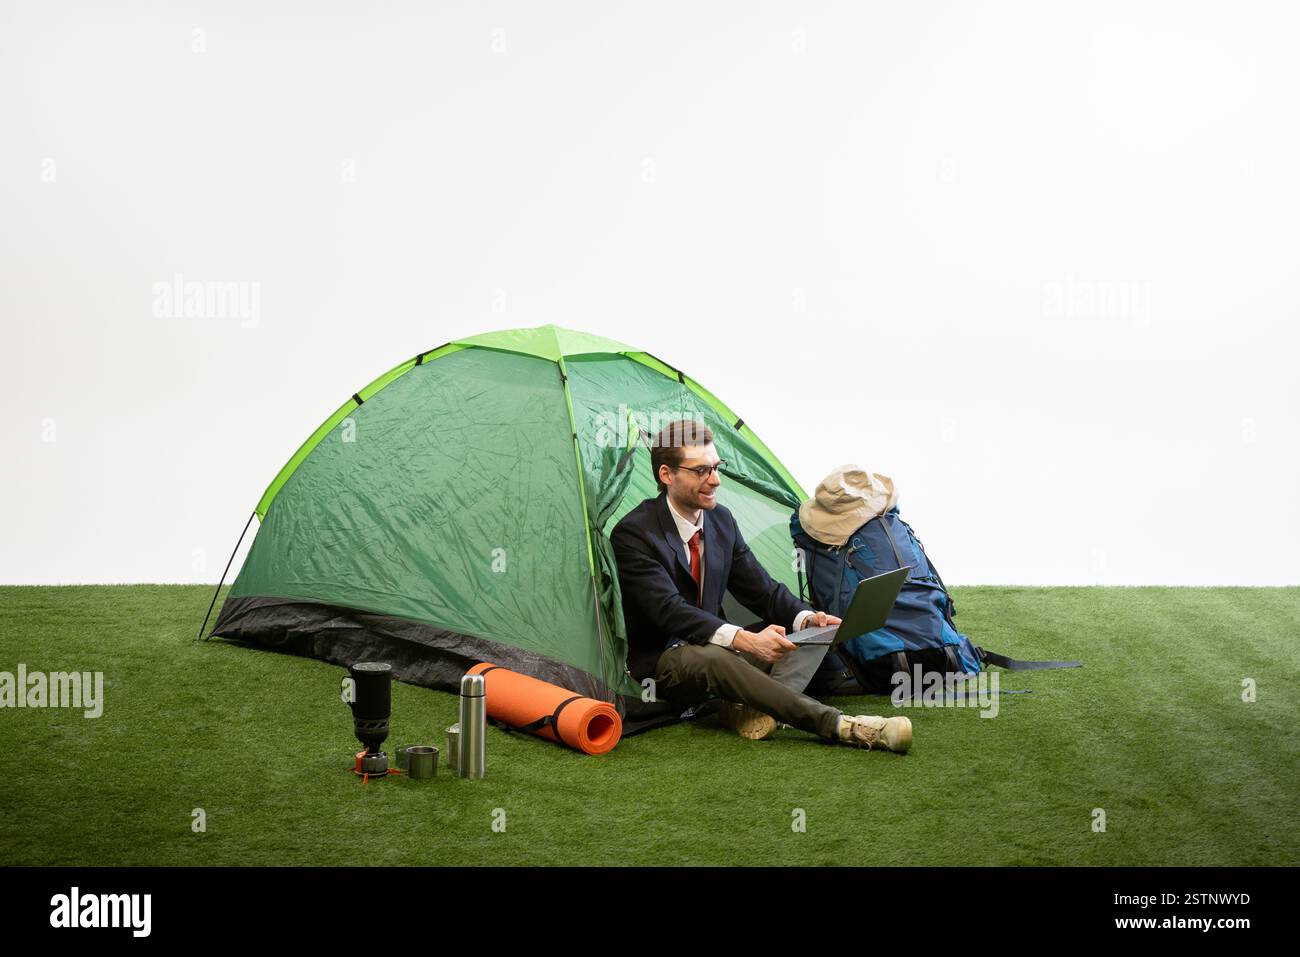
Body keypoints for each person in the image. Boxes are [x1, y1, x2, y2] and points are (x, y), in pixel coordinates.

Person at [610, 418, 912, 752]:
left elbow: (762, 590)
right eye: (701, 471)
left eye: (716, 467)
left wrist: (807, 619)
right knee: (717, 658)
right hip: (665, 661)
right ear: (667, 475)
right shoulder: (634, 534)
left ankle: (755, 709)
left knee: (809, 633)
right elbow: (670, 611)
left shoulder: (721, 521)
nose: (715, 480)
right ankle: (839, 725)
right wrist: (745, 640)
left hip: (719, 648)